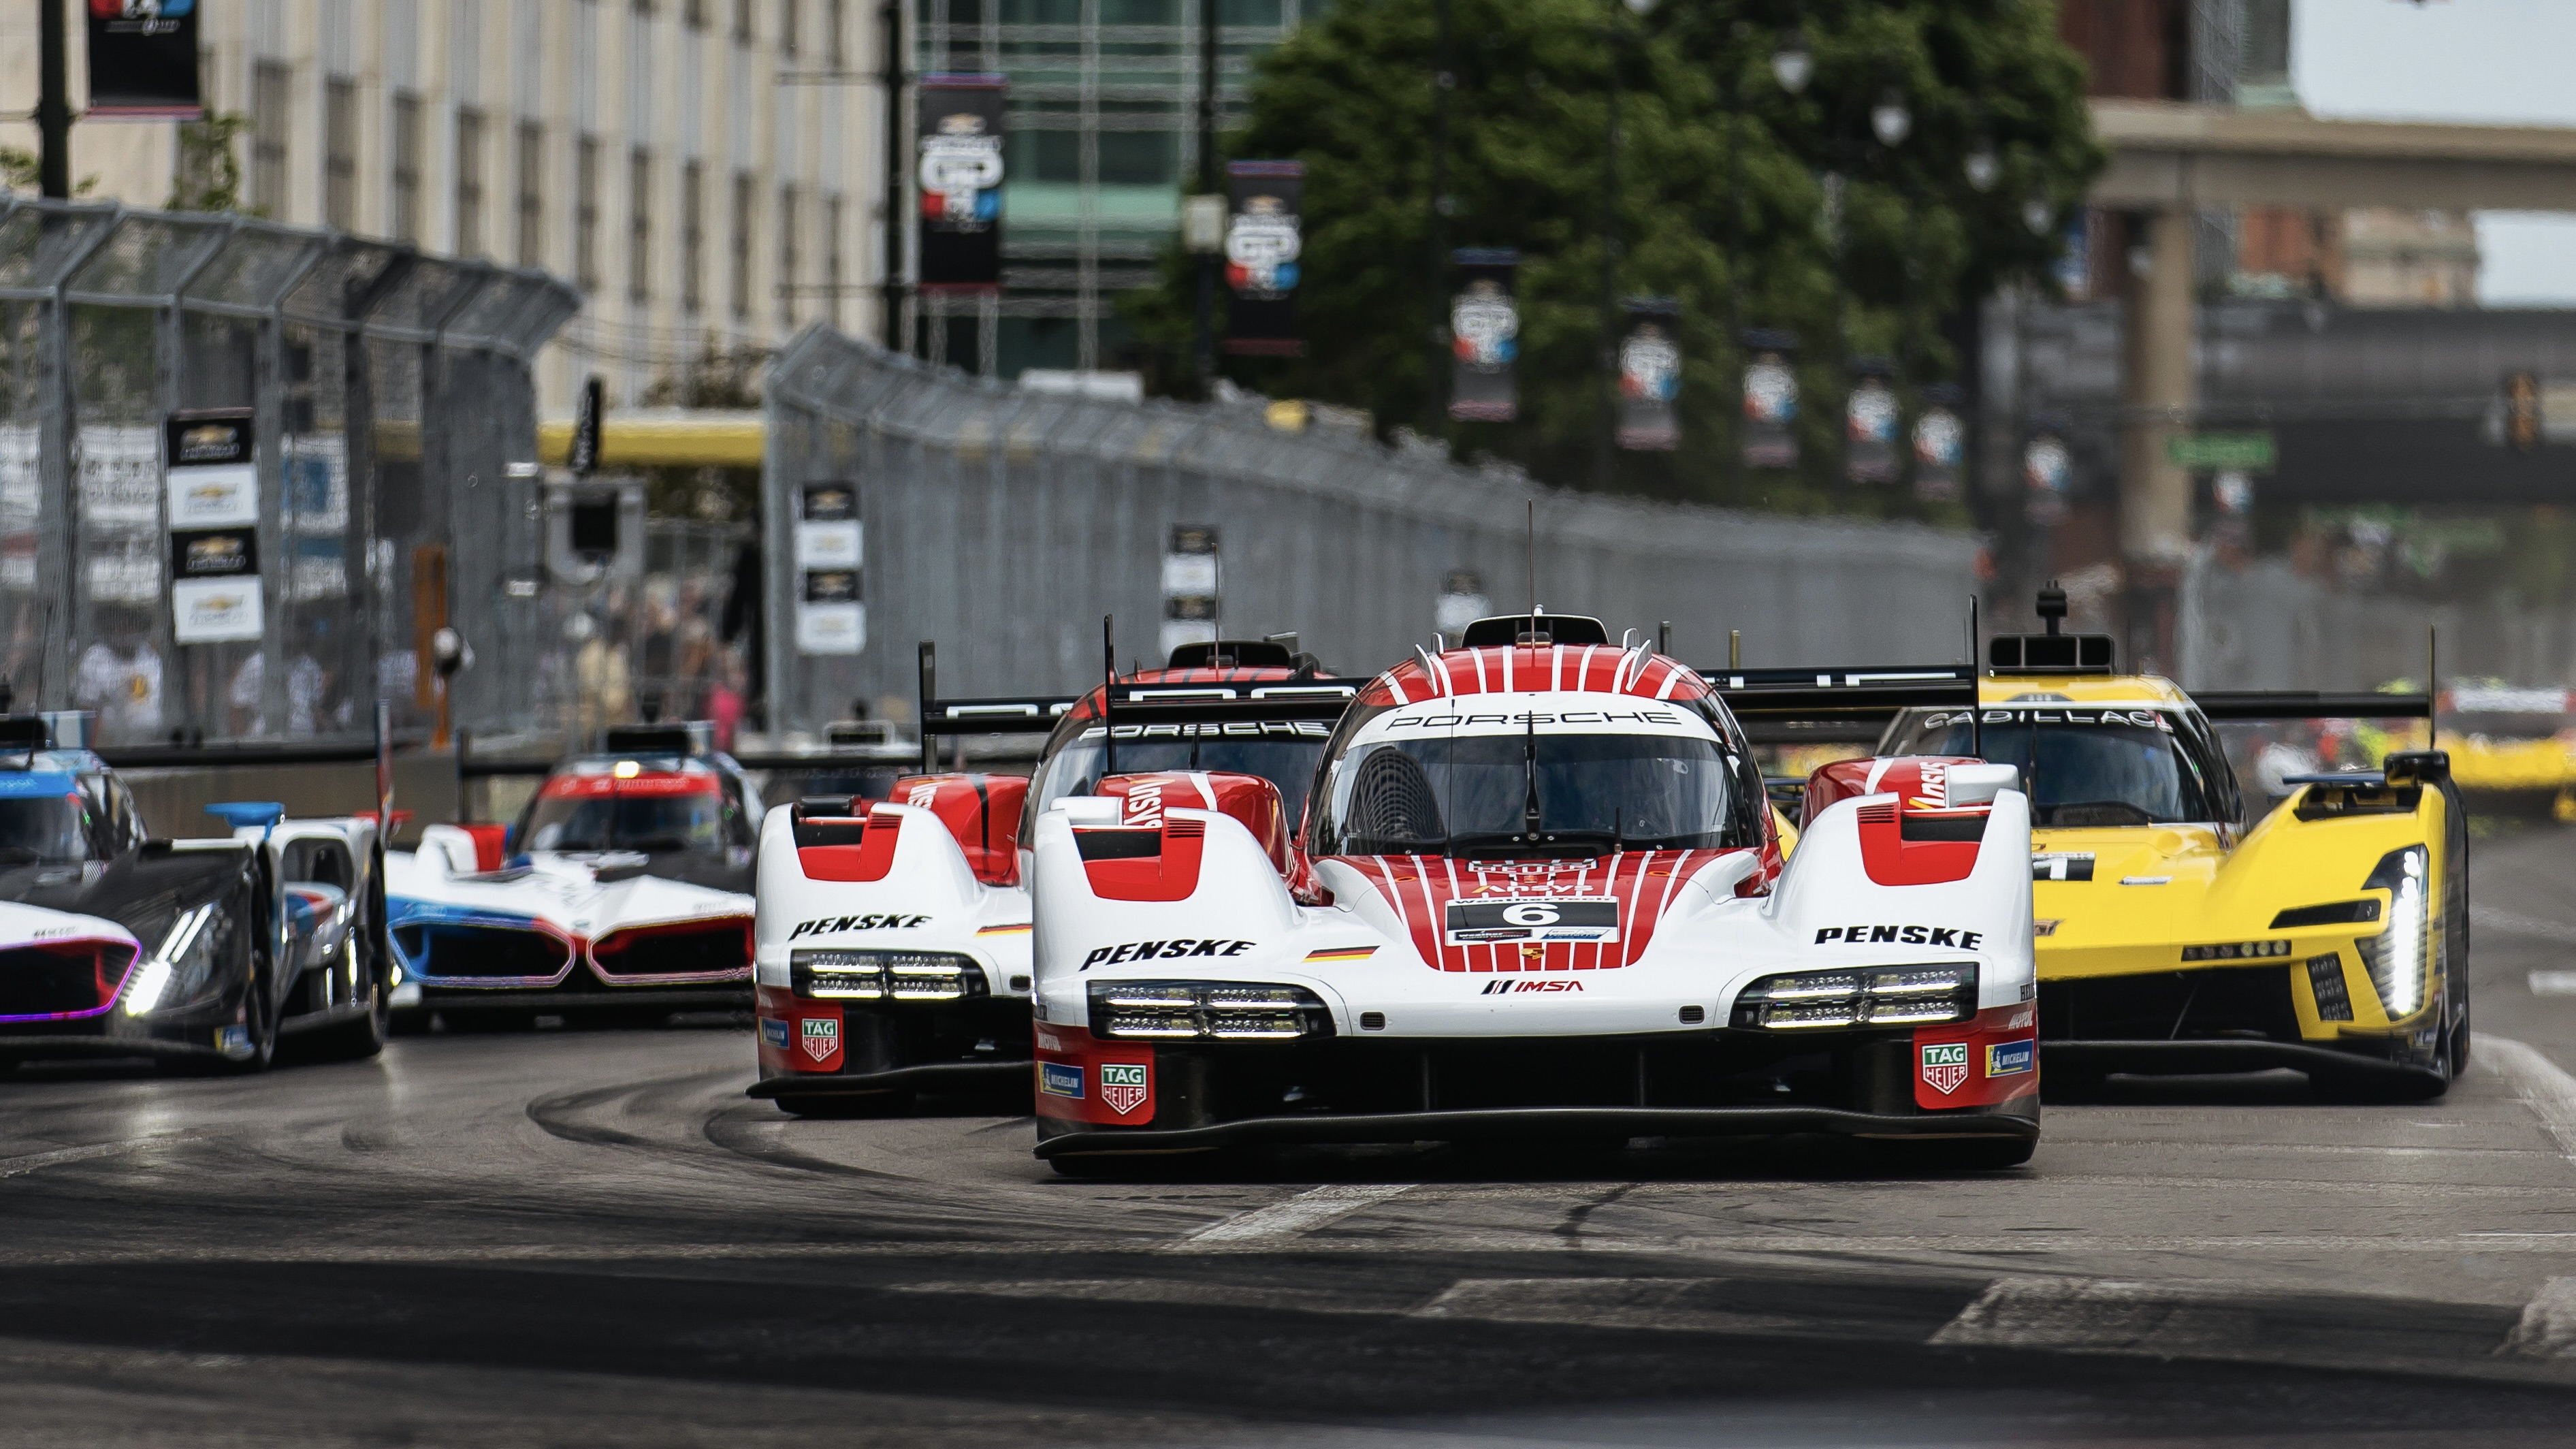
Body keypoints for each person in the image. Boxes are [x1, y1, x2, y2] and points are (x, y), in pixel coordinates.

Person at [74, 607, 163, 744]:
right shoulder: (96, 659)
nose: (126, 627)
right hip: (113, 746)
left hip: (152, 744)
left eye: (132, 621)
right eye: (120, 622)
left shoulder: (150, 658)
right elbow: (87, 711)